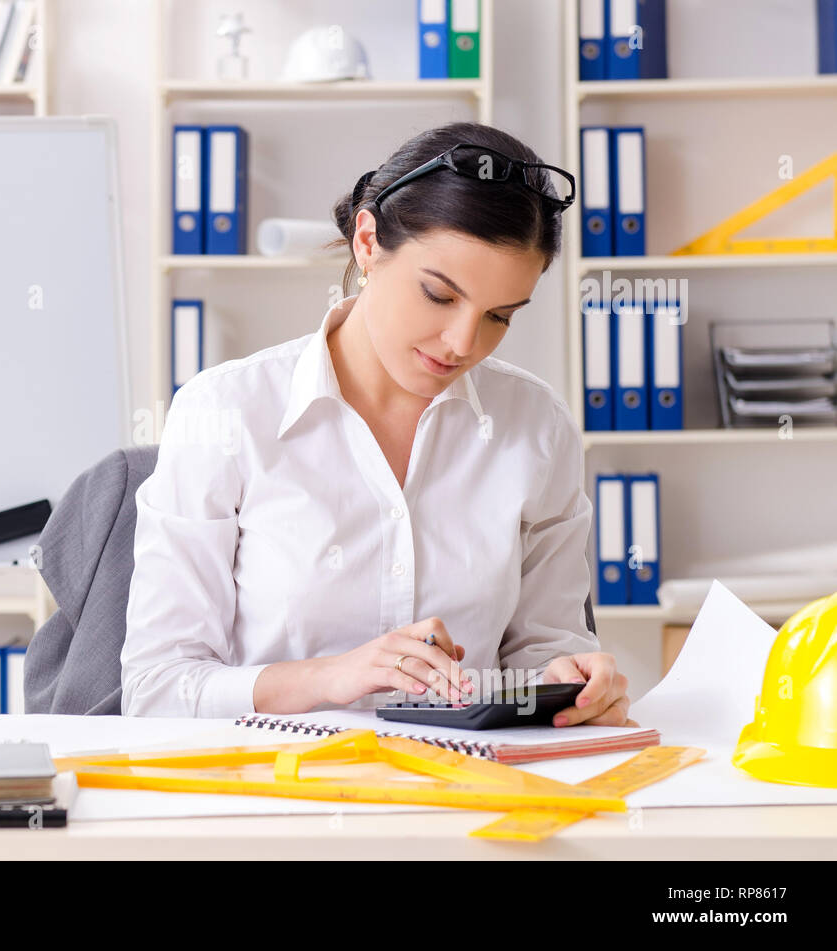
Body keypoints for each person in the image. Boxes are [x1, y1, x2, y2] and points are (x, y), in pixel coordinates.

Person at [121, 121, 634, 728]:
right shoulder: (226, 412)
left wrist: (566, 681)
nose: (463, 342)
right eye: (439, 296)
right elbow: (156, 689)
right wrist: (330, 677)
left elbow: (547, 647)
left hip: (470, 791)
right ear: (368, 242)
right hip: (279, 795)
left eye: (499, 316)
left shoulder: (535, 426)